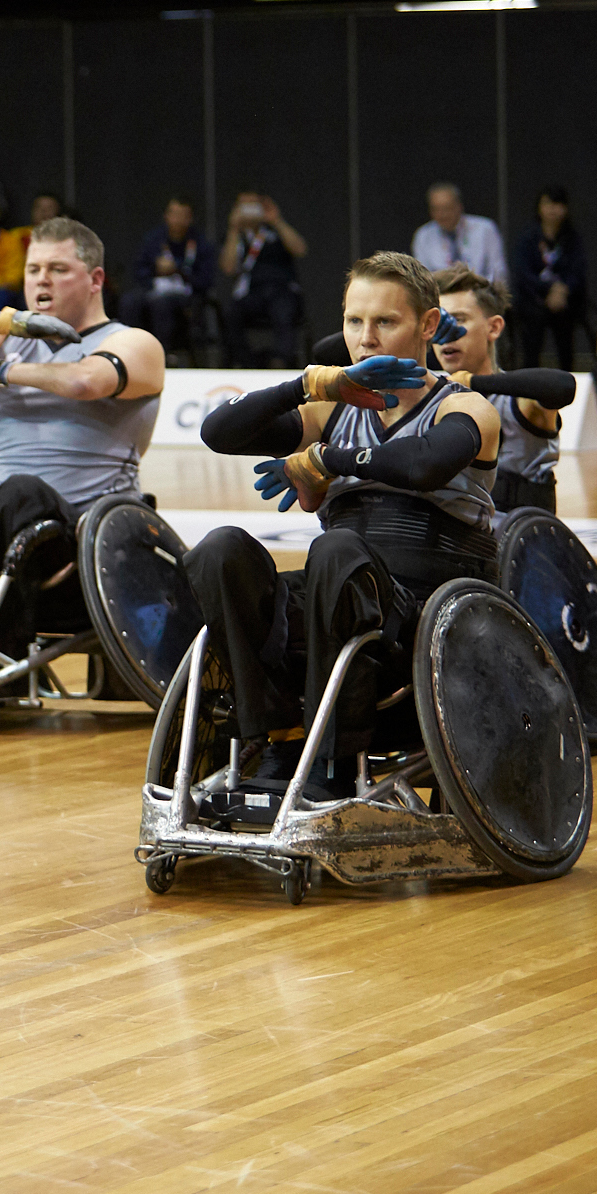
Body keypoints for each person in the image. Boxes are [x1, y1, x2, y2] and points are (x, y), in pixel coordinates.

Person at [185, 251, 500, 802]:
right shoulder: (332, 406)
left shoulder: (468, 407)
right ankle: (274, 735)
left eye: (385, 321)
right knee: (220, 552)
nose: (365, 338)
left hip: (421, 613)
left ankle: (333, 759)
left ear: (427, 325)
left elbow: (421, 466)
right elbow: (219, 433)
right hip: (339, 592)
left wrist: (328, 460)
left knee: (334, 550)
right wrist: (306, 384)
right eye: (354, 321)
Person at [0, 217, 165, 652]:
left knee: (20, 492)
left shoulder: (134, 342)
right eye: (33, 269)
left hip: (81, 539)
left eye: (58, 269)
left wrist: (0, 371)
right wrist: (4, 321)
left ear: (95, 279)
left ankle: (2, 647)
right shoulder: (7, 338)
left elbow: (85, 382)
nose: (42, 279)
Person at [430, 263, 574, 514]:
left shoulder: (519, 400)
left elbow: (563, 386)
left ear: (494, 327)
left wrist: (471, 383)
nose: (446, 335)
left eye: (458, 320)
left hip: (519, 537)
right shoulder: (429, 390)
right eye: (438, 324)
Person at [220, 189, 309, 366]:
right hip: (252, 293)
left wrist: (276, 220)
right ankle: (247, 363)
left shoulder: (275, 232)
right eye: (245, 206)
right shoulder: (236, 237)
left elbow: (300, 249)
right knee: (230, 313)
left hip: (281, 291)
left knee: (284, 309)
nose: (250, 211)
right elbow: (228, 268)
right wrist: (234, 229)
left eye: (254, 205)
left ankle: (281, 360)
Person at [119, 195, 217, 356]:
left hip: (186, 293)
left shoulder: (201, 242)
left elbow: (206, 279)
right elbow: (139, 271)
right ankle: (130, 352)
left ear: (190, 218)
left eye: (182, 215)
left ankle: (163, 355)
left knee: (160, 304)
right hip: (154, 288)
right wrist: (156, 272)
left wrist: (178, 270)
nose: (177, 220)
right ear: (166, 216)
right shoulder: (153, 239)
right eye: (174, 214)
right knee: (129, 301)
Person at [508, 186, 587, 372]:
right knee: (531, 320)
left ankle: (568, 374)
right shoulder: (528, 237)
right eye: (547, 204)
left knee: (565, 321)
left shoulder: (572, 238)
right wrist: (548, 289)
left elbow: (578, 271)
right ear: (539, 208)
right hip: (534, 298)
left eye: (557, 204)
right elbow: (522, 272)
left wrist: (562, 290)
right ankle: (529, 375)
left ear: (566, 208)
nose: (552, 210)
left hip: (564, 300)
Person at [410, 182, 506, 280]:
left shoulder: (485, 229)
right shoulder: (423, 236)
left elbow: (498, 272)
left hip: (481, 291)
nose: (442, 214)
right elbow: (422, 278)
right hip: (441, 293)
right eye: (436, 209)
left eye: (447, 208)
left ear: (459, 206)